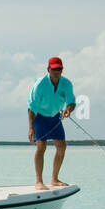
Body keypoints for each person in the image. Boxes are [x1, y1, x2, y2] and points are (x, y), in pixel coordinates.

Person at [27, 56, 76, 190]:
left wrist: (68, 110)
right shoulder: (40, 85)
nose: (56, 71)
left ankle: (54, 179)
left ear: (62, 69)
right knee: (41, 146)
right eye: (54, 69)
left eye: (59, 69)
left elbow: (71, 101)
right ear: (48, 69)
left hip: (55, 116)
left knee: (62, 146)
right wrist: (31, 128)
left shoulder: (66, 84)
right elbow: (32, 108)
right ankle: (39, 181)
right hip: (40, 116)